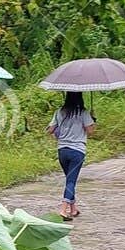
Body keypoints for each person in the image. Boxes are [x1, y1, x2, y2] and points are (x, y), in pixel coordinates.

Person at [47, 91, 95, 219]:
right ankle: (63, 210)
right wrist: (92, 119)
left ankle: (73, 209)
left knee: (70, 179)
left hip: (62, 150)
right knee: (71, 181)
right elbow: (90, 131)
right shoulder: (83, 112)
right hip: (77, 151)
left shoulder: (59, 112)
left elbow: (50, 130)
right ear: (80, 98)